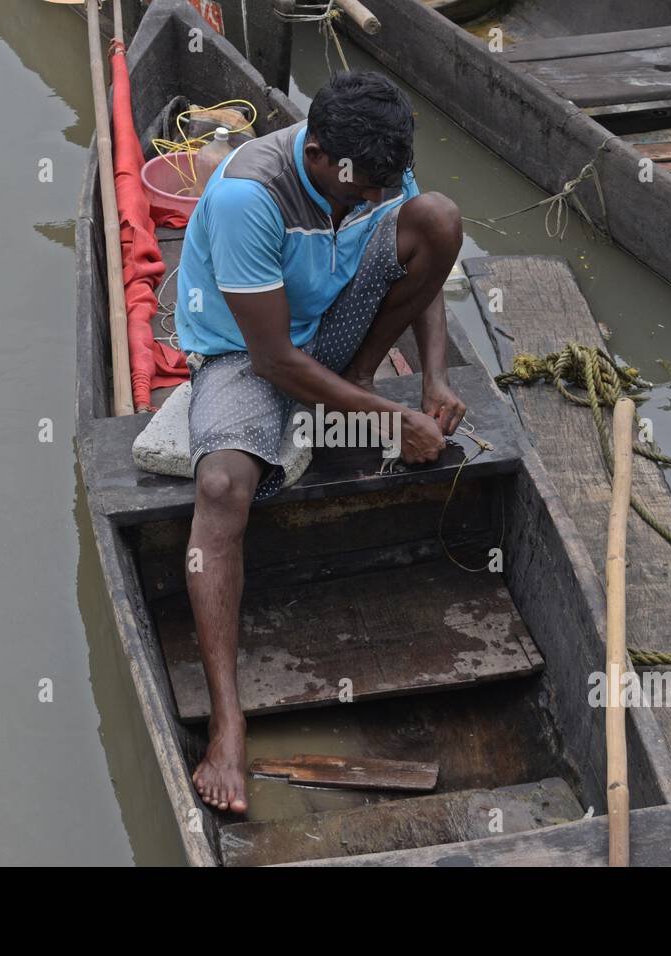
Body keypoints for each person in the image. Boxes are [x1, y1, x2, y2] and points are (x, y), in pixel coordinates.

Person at [174, 71, 466, 813]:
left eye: (382, 186)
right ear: (319, 156)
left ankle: (353, 393)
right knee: (220, 488)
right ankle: (229, 723)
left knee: (438, 217)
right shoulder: (251, 197)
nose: (376, 199)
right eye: (361, 191)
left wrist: (432, 379)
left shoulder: (377, 165)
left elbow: (421, 262)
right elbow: (271, 360)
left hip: (329, 331)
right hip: (249, 352)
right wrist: (386, 418)